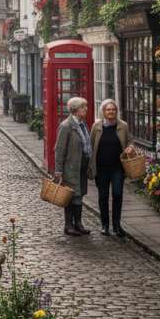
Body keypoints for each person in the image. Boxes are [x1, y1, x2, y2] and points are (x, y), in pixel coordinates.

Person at [90, 98, 135, 237]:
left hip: (118, 168)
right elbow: (91, 146)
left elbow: (130, 141)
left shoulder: (123, 126)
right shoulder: (96, 127)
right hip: (101, 168)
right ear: (103, 111)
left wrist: (130, 147)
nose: (111, 112)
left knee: (117, 194)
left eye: (113, 109)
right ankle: (105, 225)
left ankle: (117, 225)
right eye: (108, 109)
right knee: (103, 197)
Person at [53, 96, 93, 236]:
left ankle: (79, 224)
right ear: (75, 110)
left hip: (81, 166)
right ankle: (68, 225)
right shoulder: (66, 126)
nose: (86, 109)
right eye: (83, 107)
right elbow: (59, 149)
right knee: (70, 196)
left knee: (79, 194)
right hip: (70, 167)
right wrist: (58, 170)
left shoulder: (82, 124)